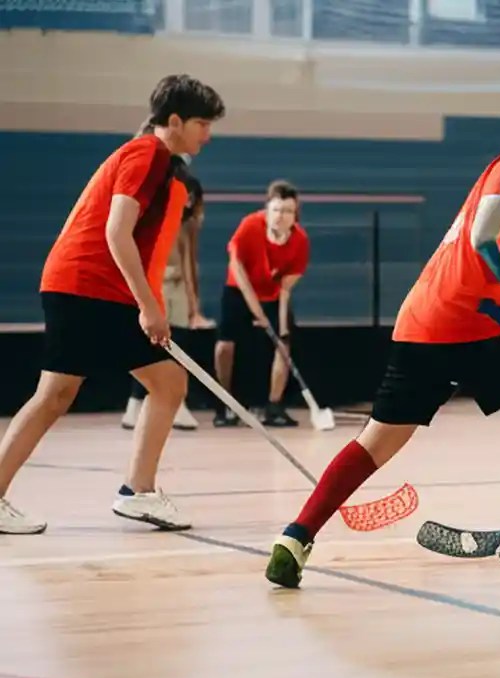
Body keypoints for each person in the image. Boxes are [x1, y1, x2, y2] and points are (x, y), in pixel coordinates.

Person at [264, 74, 500, 590]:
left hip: (423, 323)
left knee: (375, 442)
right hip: (466, 324)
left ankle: (295, 536)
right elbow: (485, 232)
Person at [0, 74, 225, 534]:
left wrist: (142, 301)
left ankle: (137, 493)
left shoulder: (151, 158)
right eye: (203, 123)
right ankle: (137, 492)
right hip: (88, 286)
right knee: (60, 396)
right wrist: (149, 306)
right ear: (175, 120)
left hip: (94, 288)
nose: (208, 133)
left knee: (162, 384)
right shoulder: (148, 154)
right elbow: (115, 231)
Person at [121, 168, 213, 432]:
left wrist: (193, 304)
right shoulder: (154, 218)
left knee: (178, 345)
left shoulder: (188, 224)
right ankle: (138, 405)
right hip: (155, 288)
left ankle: (172, 404)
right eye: (184, 195)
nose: (188, 201)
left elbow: (189, 264)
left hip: (178, 290)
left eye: (192, 196)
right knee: (152, 348)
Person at [212, 180, 310, 428]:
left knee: (283, 345)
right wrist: (256, 310)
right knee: (225, 345)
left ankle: (273, 406)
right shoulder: (250, 226)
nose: (281, 216)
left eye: (287, 211)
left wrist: (282, 326)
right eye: (276, 209)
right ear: (267, 210)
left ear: (295, 214)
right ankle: (226, 403)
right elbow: (237, 266)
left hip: (273, 293)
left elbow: (286, 288)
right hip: (238, 287)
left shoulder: (300, 241)